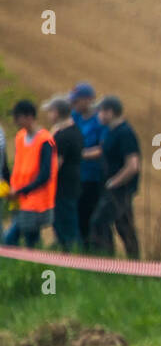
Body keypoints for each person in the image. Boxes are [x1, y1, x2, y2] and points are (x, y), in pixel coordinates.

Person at [90, 95, 142, 259]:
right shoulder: (112, 132)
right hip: (114, 189)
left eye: (100, 111)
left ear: (110, 112)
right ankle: (131, 263)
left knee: (100, 222)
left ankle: (107, 262)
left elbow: (133, 165)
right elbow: (102, 151)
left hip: (120, 190)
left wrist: (114, 182)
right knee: (123, 226)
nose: (98, 115)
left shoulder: (125, 133)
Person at [2, 100, 59, 248]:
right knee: (30, 241)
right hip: (20, 199)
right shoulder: (20, 137)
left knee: (12, 240)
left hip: (36, 200)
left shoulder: (45, 140)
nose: (15, 121)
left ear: (29, 117)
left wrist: (21, 190)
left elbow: (45, 174)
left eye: (17, 117)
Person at [69, 82, 109, 251]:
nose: (74, 104)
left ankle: (97, 250)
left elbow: (103, 148)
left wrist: (81, 154)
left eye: (77, 101)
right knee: (77, 214)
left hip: (93, 176)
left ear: (88, 100)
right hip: (77, 175)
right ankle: (82, 248)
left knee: (91, 214)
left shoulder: (99, 120)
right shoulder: (74, 117)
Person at [45, 96, 83, 251]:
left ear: (57, 113)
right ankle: (72, 252)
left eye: (50, 111)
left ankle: (71, 254)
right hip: (72, 184)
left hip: (62, 186)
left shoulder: (63, 136)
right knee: (68, 220)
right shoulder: (75, 131)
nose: (48, 115)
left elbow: (55, 164)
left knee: (64, 222)